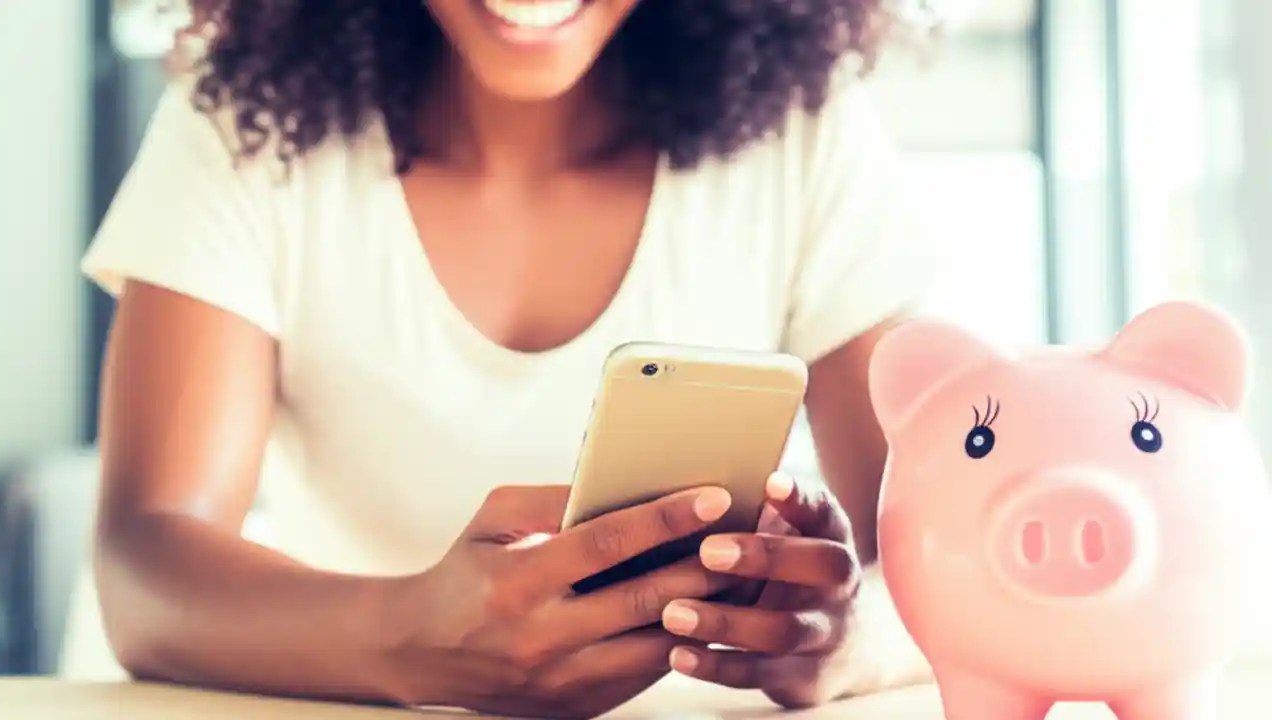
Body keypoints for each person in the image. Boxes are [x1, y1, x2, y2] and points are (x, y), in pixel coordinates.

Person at [78, 0, 934, 715]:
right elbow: (143, 572)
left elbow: (942, 565)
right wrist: (403, 637)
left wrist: (849, 641)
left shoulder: (806, 129)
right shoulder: (244, 123)